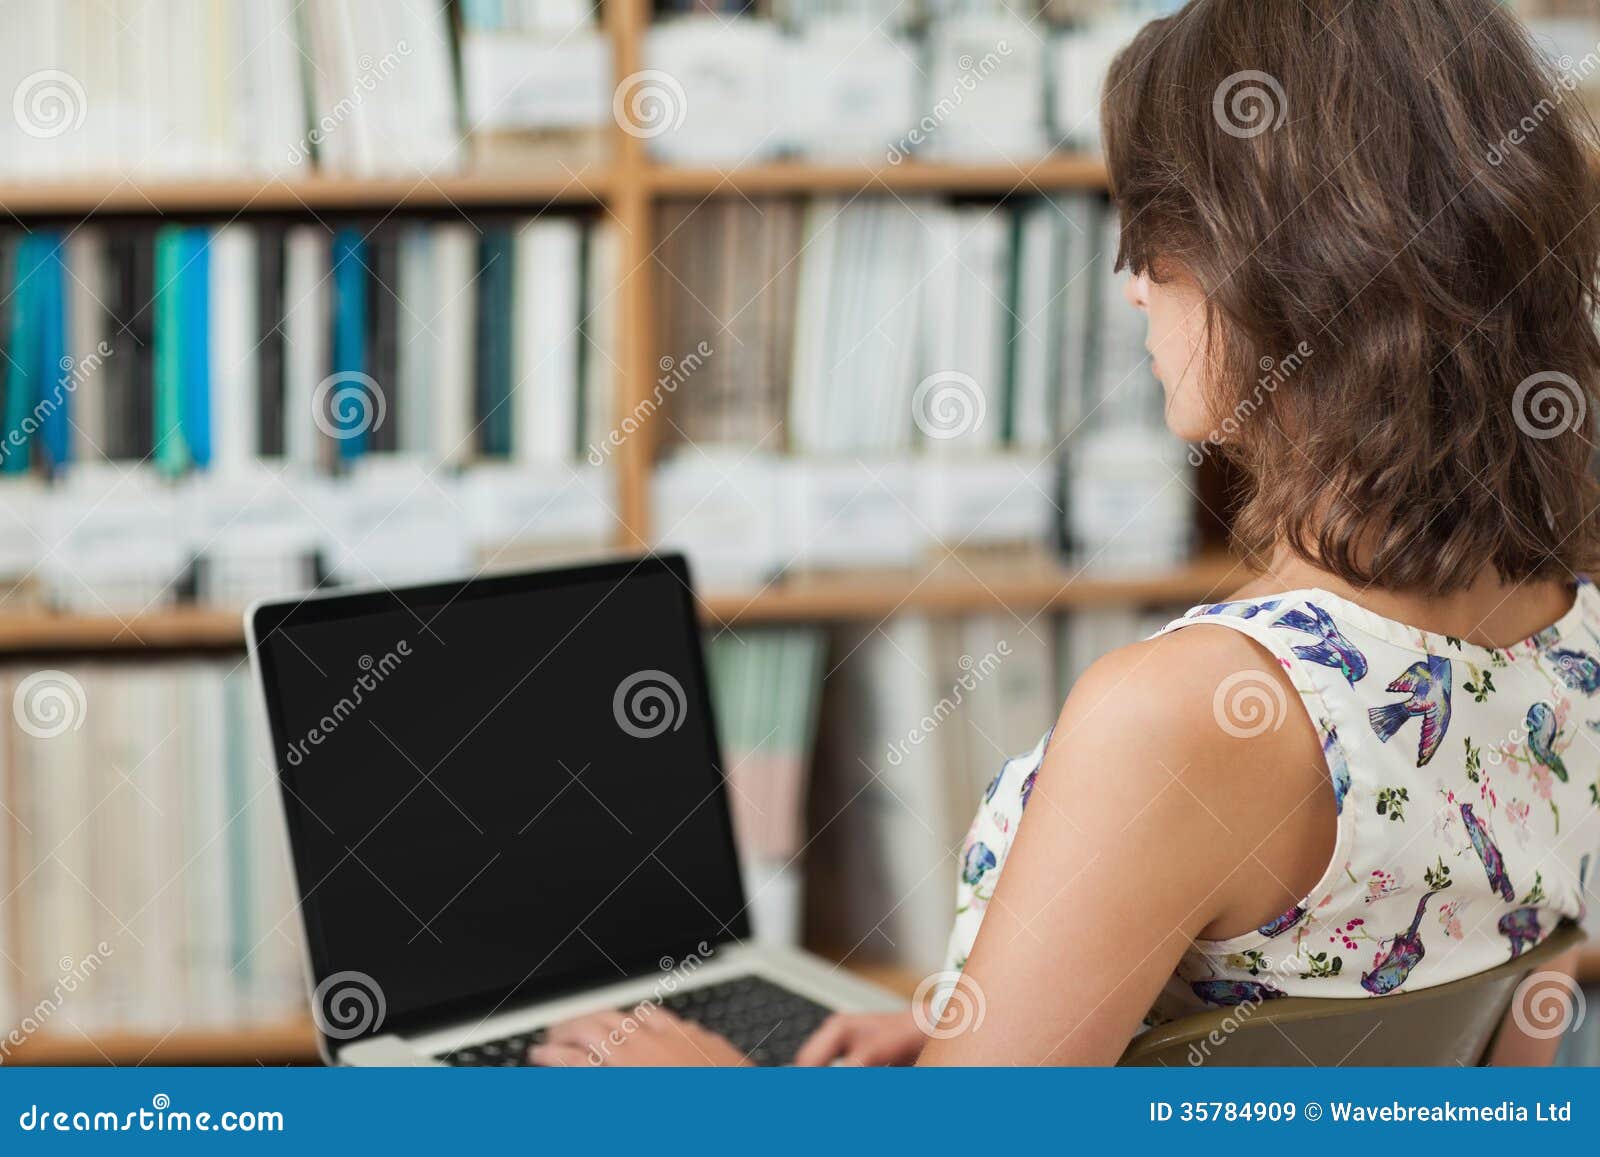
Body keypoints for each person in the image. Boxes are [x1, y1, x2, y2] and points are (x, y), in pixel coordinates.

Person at [530, 0, 1600, 1067]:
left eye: (1156, 233)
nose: (1131, 284)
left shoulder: (1195, 715)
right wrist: (1010, 1012)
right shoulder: (1567, 641)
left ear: (1291, 264)